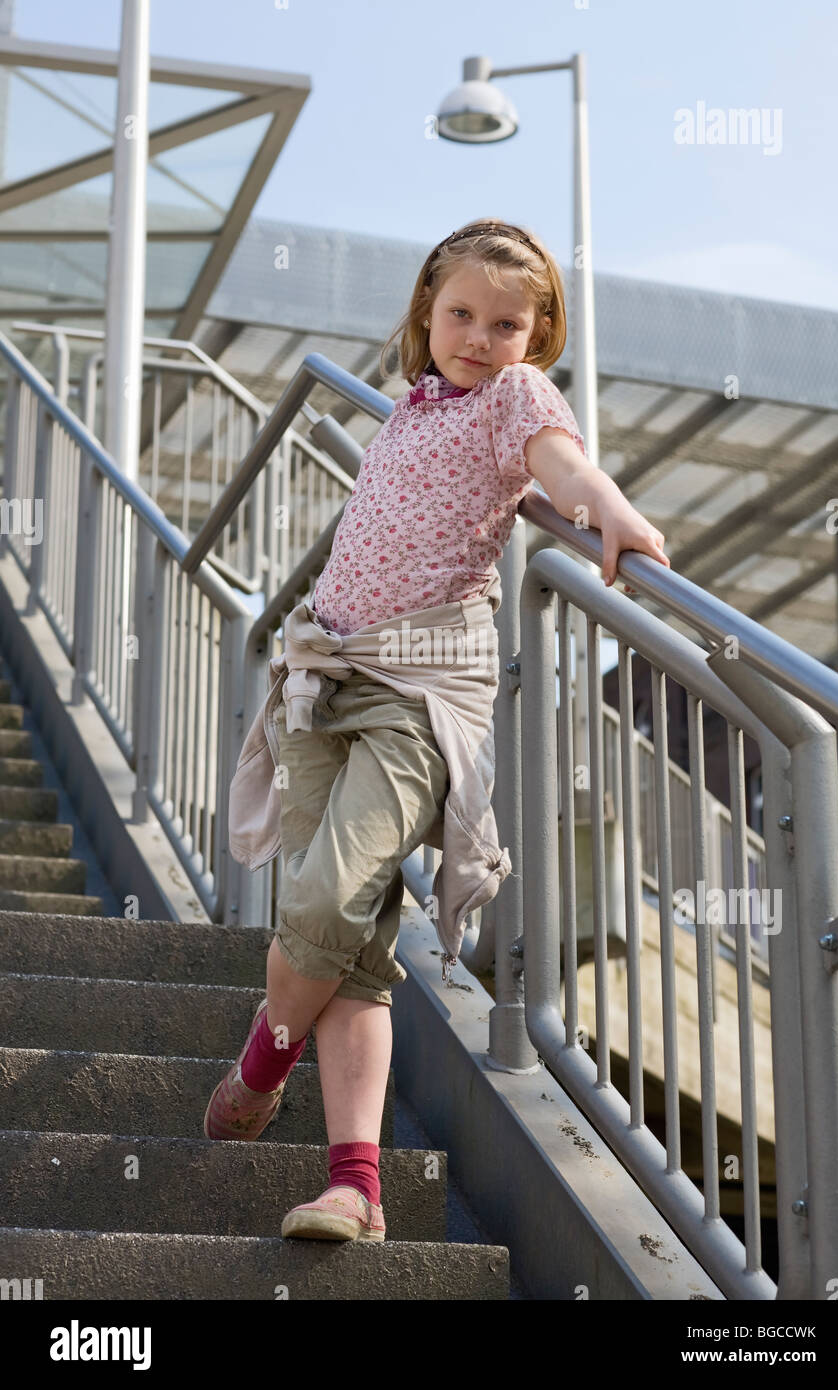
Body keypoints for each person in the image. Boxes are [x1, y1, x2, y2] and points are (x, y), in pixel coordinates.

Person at [204, 217, 671, 1243]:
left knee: (328, 897)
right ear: (426, 311)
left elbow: (559, 462)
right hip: (326, 680)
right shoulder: (407, 408)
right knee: (346, 935)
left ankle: (261, 1063)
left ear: (535, 336)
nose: (478, 336)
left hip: (418, 695)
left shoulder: (515, 397)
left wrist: (604, 509)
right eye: (459, 313)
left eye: (506, 322)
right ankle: (354, 1186)